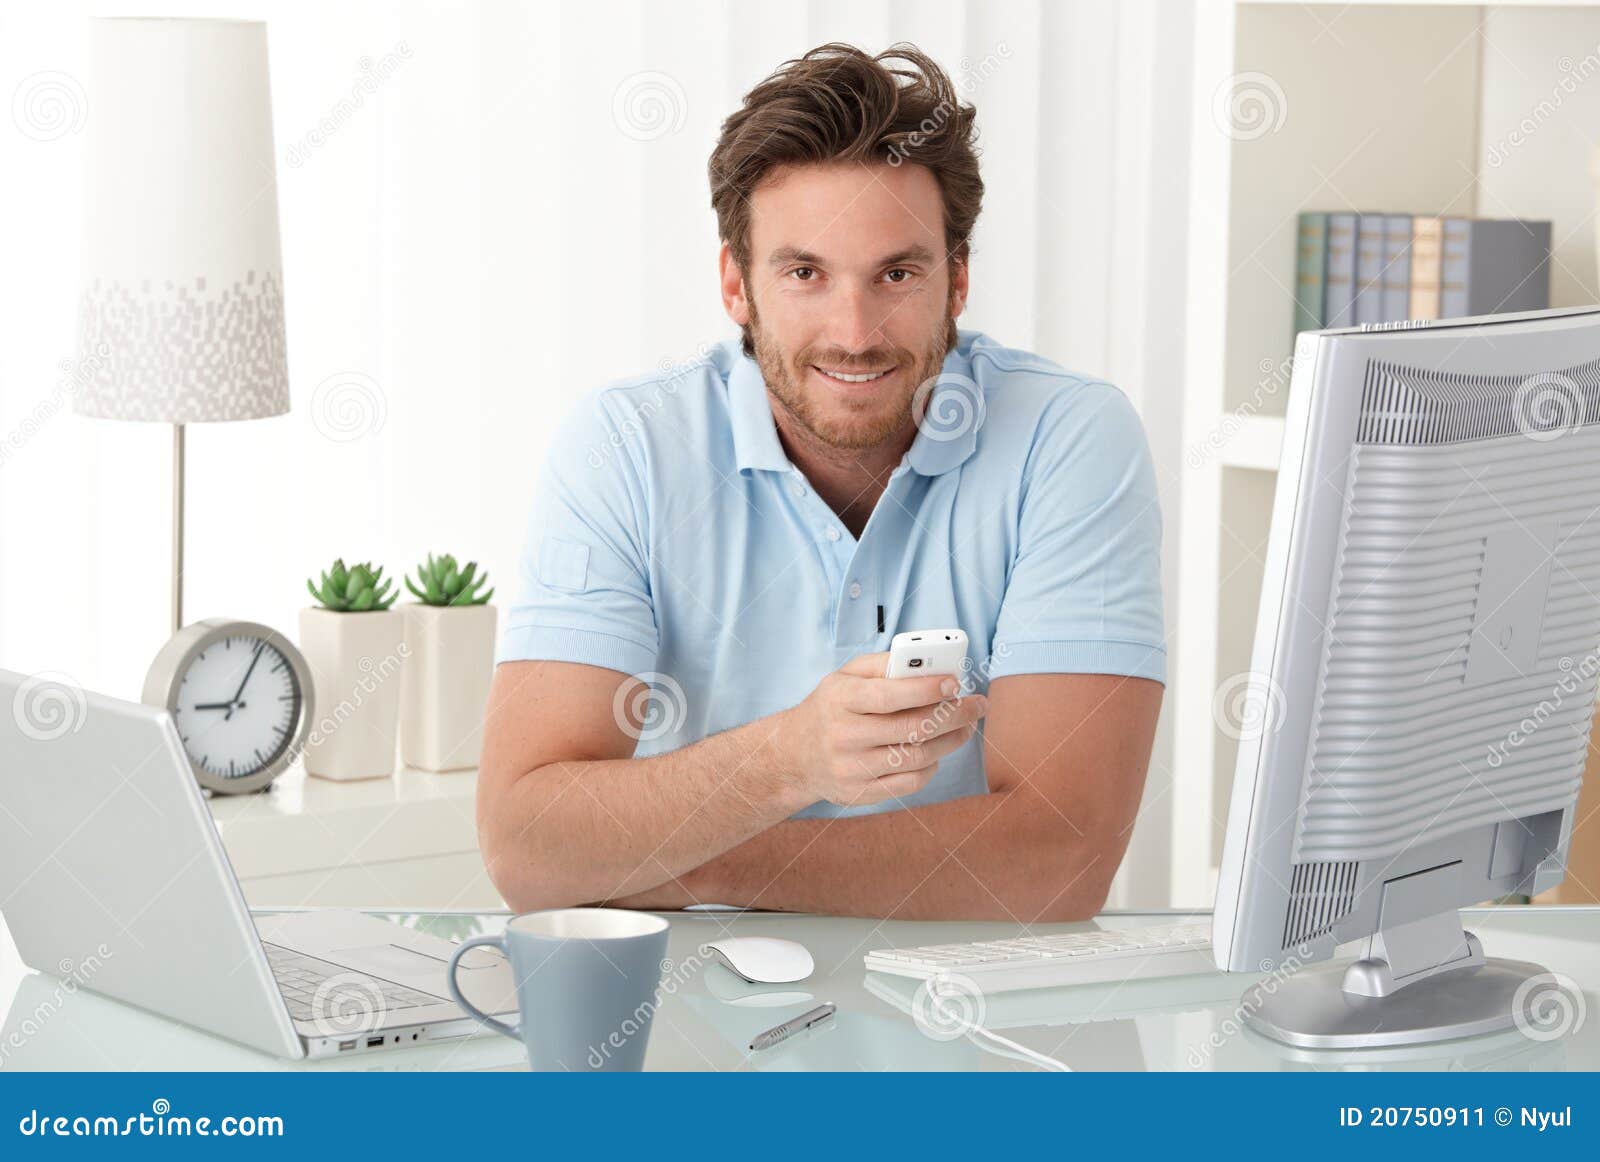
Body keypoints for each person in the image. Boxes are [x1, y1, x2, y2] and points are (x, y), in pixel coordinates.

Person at [478, 42, 1165, 920]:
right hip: (701, 1015)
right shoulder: (625, 447)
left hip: (973, 1021)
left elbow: (1060, 862)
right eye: (805, 273)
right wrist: (788, 760)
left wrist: (708, 866)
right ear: (737, 283)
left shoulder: (1066, 437)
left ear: (957, 282)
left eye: (898, 274)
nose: (855, 332)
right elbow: (527, 848)